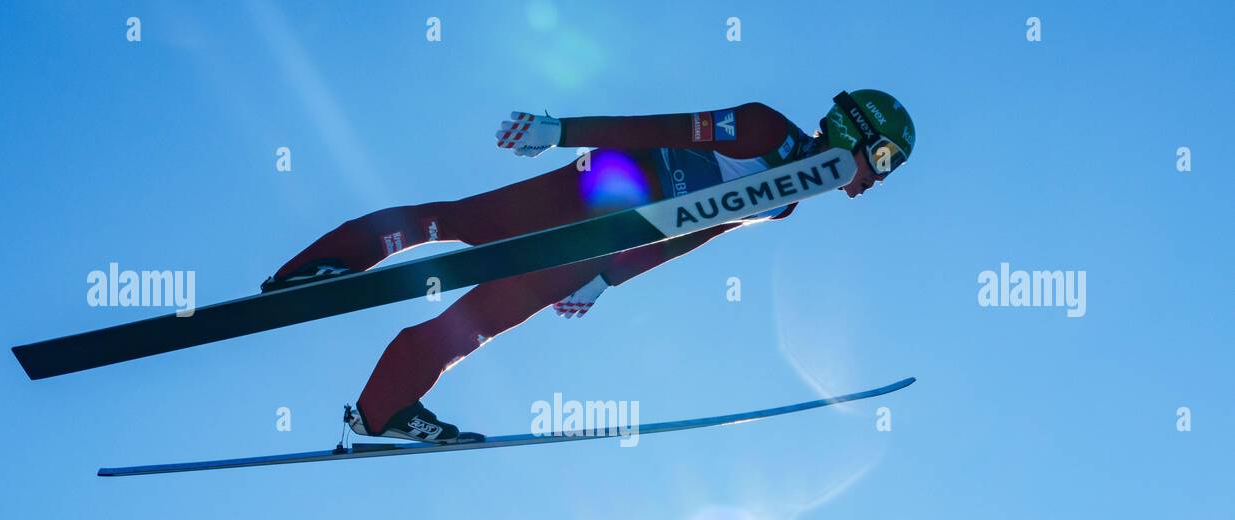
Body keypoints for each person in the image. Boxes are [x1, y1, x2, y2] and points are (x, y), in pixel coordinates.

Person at [261, 90, 916, 442]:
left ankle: (382, 410)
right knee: (464, 223)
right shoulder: (764, 129)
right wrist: (563, 130)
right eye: (883, 161)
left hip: (604, 241)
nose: (877, 181)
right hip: (610, 183)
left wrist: (606, 278)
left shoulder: (787, 201)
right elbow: (660, 129)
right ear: (857, 132)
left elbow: (695, 234)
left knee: (479, 323)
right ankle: (329, 264)